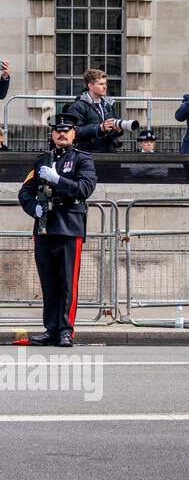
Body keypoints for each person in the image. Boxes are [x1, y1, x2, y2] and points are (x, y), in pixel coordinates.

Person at [16, 113, 97, 347]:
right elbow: (24, 192)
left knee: (67, 283)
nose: (62, 133)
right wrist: (35, 209)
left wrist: (58, 180)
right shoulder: (42, 160)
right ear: (52, 134)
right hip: (44, 228)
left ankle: (65, 330)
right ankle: (51, 329)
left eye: (67, 129)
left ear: (74, 134)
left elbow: (84, 188)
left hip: (69, 226)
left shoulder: (83, 159)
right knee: (49, 283)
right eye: (58, 130)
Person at [64, 68, 130, 153]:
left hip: (110, 154)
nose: (105, 87)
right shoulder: (77, 106)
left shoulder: (108, 105)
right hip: (88, 155)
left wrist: (118, 130)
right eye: (101, 84)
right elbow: (73, 132)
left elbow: (117, 129)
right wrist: (99, 128)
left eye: (105, 83)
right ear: (90, 86)